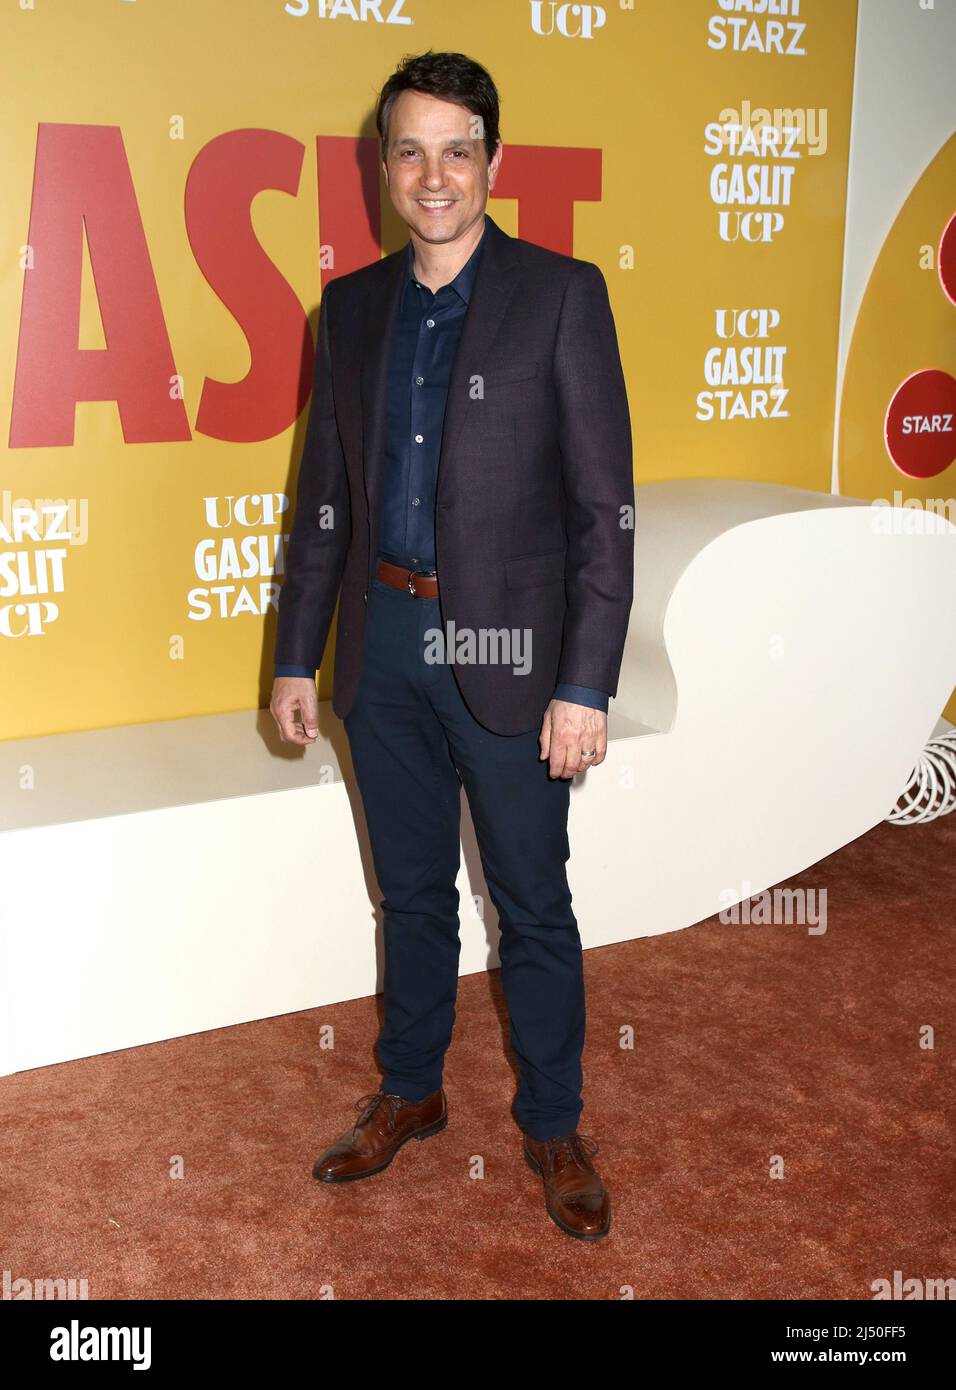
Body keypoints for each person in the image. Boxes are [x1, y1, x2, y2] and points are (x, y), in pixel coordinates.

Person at [270, 50, 633, 1241]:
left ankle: (553, 1120)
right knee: (412, 892)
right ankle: (410, 1089)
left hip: (517, 664)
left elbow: (600, 511)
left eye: (456, 149)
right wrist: (294, 655)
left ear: (492, 161)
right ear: (382, 167)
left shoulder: (561, 294)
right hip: (381, 653)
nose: (434, 175)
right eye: (409, 150)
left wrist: (583, 684)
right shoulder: (355, 310)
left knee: (529, 899)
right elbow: (322, 494)